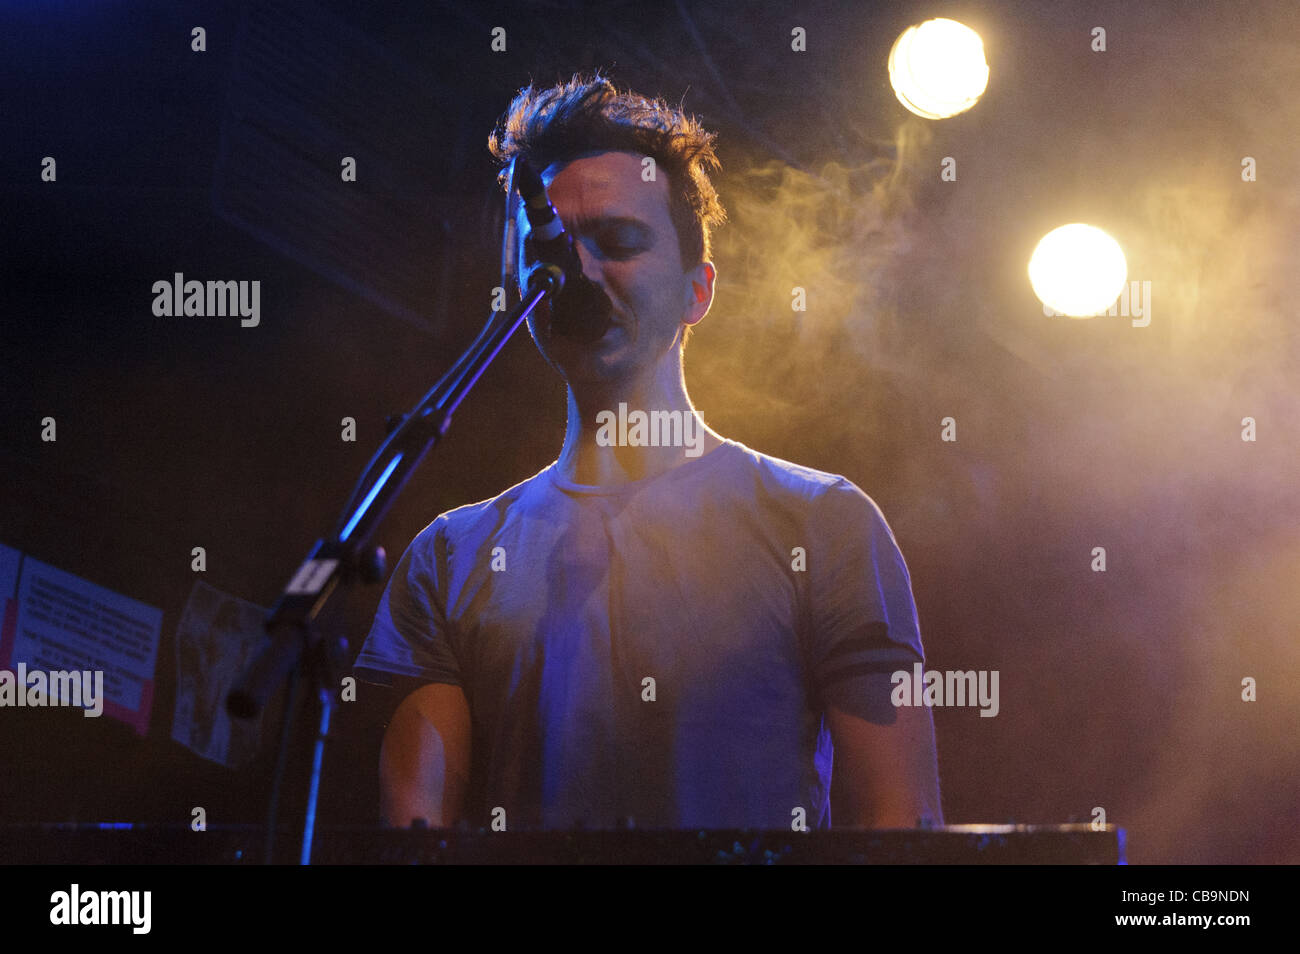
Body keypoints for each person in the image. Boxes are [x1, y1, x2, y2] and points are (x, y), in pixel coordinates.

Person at [354, 71, 943, 832]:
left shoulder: (824, 525)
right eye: (552, 250)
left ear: (698, 291)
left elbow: (899, 829)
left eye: (620, 242)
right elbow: (414, 843)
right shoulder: (448, 557)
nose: (580, 274)